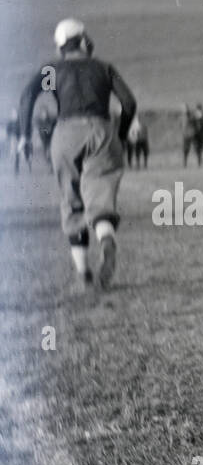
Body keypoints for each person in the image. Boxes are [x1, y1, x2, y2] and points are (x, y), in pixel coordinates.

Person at [16, 18, 136, 289]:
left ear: (61, 48)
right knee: (100, 196)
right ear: (84, 41)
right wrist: (120, 133)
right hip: (101, 131)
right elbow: (128, 103)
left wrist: (24, 136)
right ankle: (106, 240)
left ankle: (83, 274)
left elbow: (27, 97)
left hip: (66, 133)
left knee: (72, 201)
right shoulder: (103, 68)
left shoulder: (53, 70)